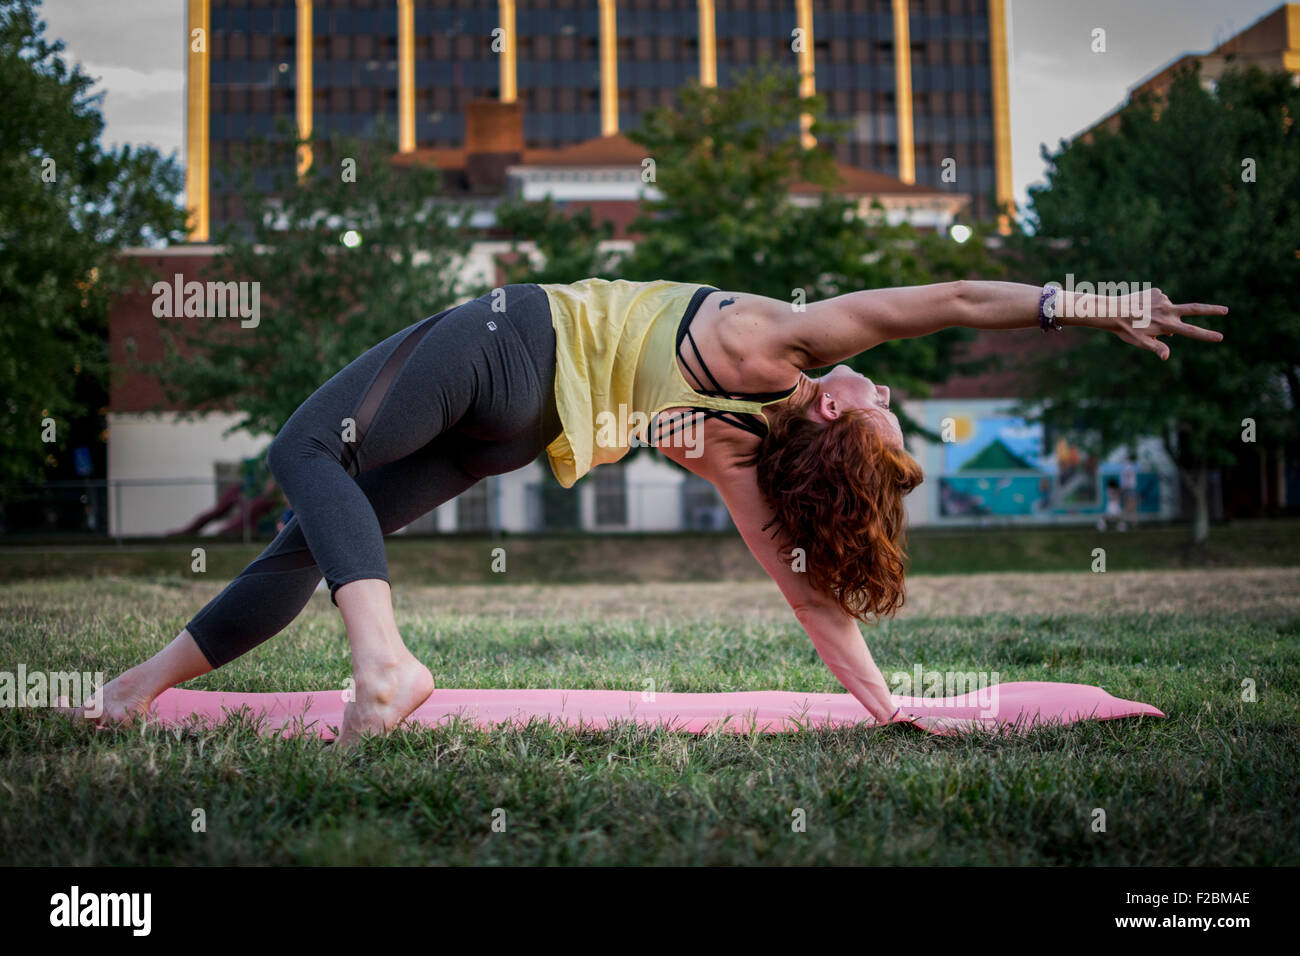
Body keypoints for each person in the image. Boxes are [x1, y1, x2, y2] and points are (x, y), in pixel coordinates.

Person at [59, 279, 1227, 743]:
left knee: (305, 444)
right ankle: (132, 689)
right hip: (517, 433)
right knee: (312, 532)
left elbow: (957, 298)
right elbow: (808, 594)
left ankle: (384, 662)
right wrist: (884, 704)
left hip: (515, 342)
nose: (888, 388)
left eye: (885, 405)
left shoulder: (792, 344)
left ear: (831, 409)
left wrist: (1090, 301)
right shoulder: (743, 457)